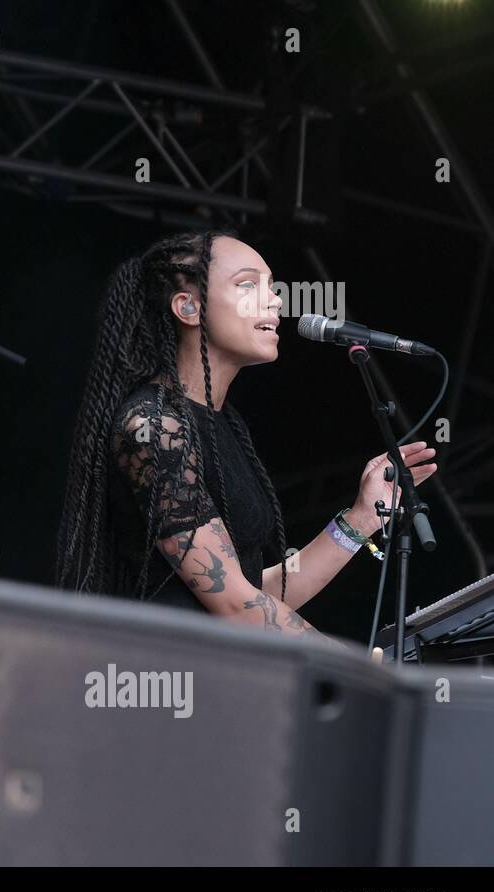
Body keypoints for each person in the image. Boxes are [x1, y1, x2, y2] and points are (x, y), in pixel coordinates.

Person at [55, 229, 438, 638]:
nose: (274, 300)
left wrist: (361, 519)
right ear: (188, 307)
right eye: (247, 285)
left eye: (272, 287)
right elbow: (237, 606)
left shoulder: (223, 427)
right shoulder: (153, 425)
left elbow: (253, 594)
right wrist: (359, 672)